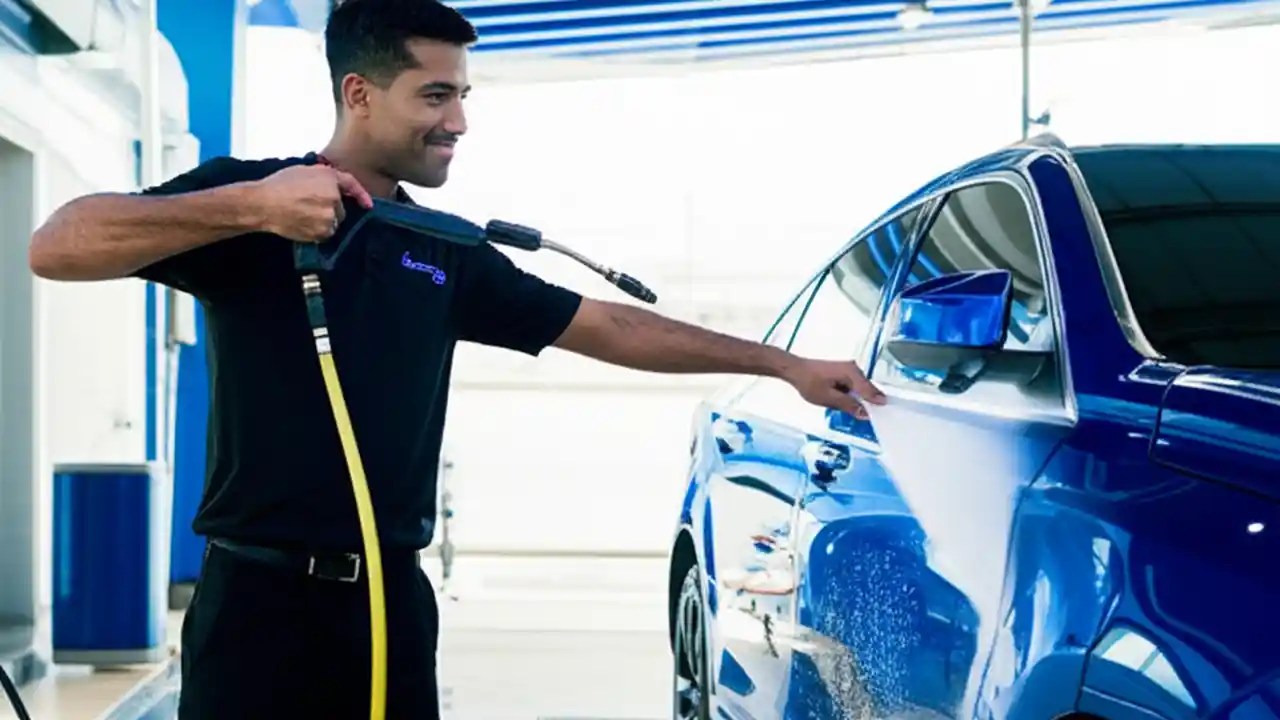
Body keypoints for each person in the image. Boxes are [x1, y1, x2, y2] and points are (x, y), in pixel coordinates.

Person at [27, 0, 885, 717]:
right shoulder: (249, 207)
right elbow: (58, 244)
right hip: (255, 605)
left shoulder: (441, 252)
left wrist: (784, 365)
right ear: (359, 93)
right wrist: (250, 207)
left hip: (390, 605)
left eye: (465, 96)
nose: (459, 122)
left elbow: (610, 328)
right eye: (436, 95)